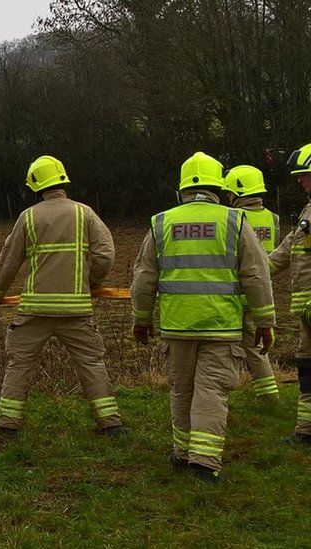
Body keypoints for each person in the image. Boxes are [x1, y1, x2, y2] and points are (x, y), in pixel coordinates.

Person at [131, 152, 275, 482]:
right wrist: (265, 322)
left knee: (182, 390)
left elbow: (143, 278)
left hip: (176, 325)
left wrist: (141, 320)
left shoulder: (161, 223)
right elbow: (256, 275)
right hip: (221, 325)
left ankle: (182, 453)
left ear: (181, 190)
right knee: (212, 390)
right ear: (220, 189)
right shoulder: (235, 221)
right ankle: (205, 462)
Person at [0, 155, 129, 438]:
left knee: (19, 364)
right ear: (63, 179)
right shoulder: (85, 213)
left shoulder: (28, 217)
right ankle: (111, 424)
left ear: (36, 186)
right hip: (76, 309)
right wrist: (91, 282)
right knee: (91, 363)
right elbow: (105, 255)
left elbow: (8, 261)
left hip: (35, 310)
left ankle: (7, 425)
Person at [223, 165, 280, 400]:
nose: (227, 197)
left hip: (237, 293)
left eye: (229, 193)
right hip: (262, 292)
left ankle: (222, 390)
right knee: (256, 346)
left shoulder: (235, 219)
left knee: (226, 346)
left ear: (238, 191)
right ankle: (268, 394)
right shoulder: (272, 218)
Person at [270, 143, 311, 444]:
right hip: (307, 312)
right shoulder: (308, 212)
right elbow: (285, 252)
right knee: (307, 367)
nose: (299, 180)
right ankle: (306, 431)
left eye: (304, 174)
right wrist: (248, 275)